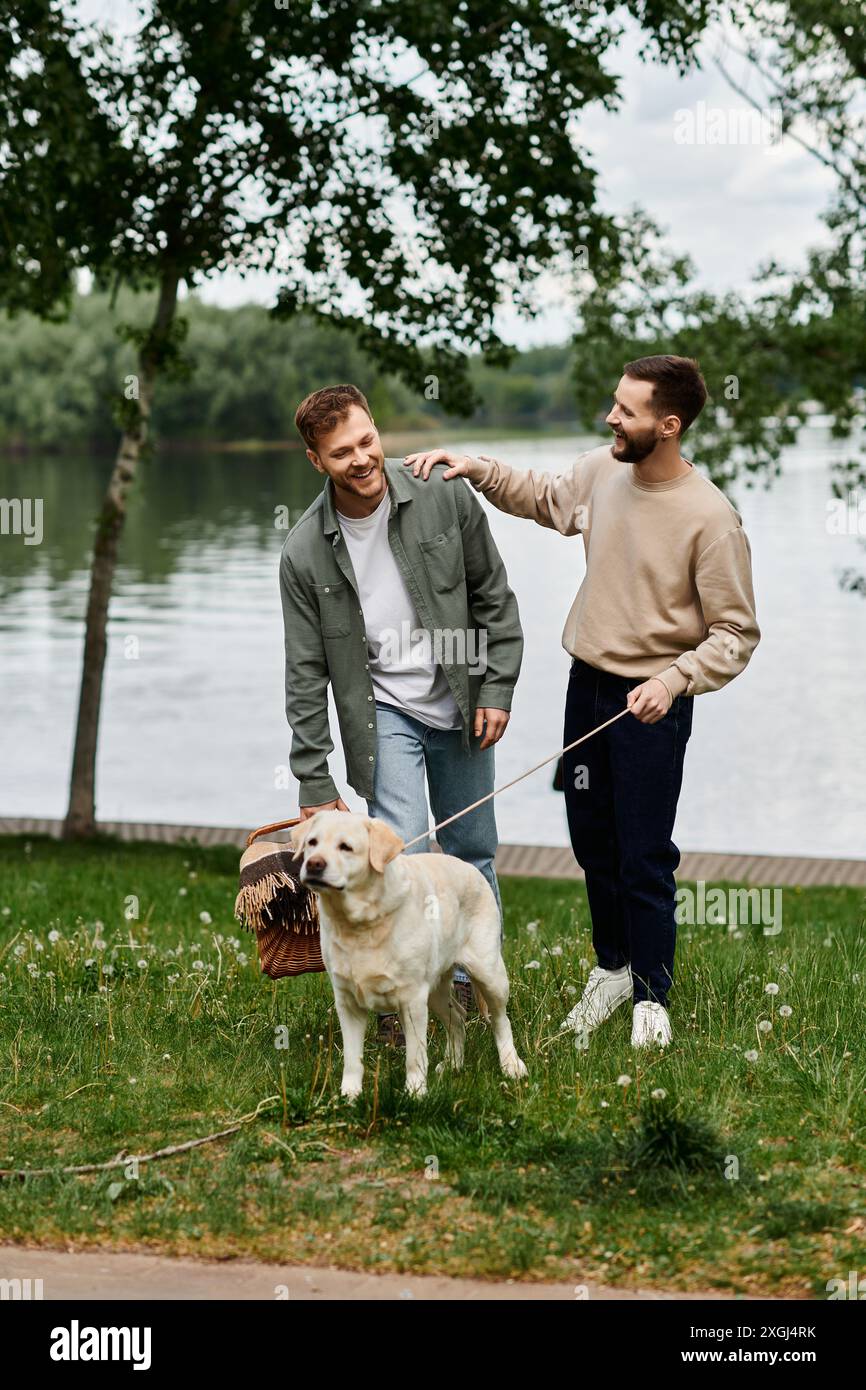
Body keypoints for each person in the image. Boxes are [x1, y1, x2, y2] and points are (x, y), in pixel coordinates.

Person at [405, 355, 760, 1049]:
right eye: (614, 405)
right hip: (587, 686)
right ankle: (613, 970)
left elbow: (737, 633)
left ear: (670, 424)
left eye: (626, 411)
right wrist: (474, 466)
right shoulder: (602, 471)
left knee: (643, 853)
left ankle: (652, 998)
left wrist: (675, 679)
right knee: (592, 842)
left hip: (652, 701)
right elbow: (543, 495)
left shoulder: (711, 517)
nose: (611, 418)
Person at [279, 384, 523, 1041]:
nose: (360, 459)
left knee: (472, 850)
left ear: (375, 430)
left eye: (366, 440)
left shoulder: (443, 494)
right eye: (340, 453)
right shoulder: (303, 551)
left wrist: (497, 689)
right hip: (381, 710)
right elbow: (305, 671)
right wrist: (313, 780)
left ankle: (472, 984)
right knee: (402, 851)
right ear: (315, 461)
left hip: (462, 697)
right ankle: (399, 997)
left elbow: (494, 597)